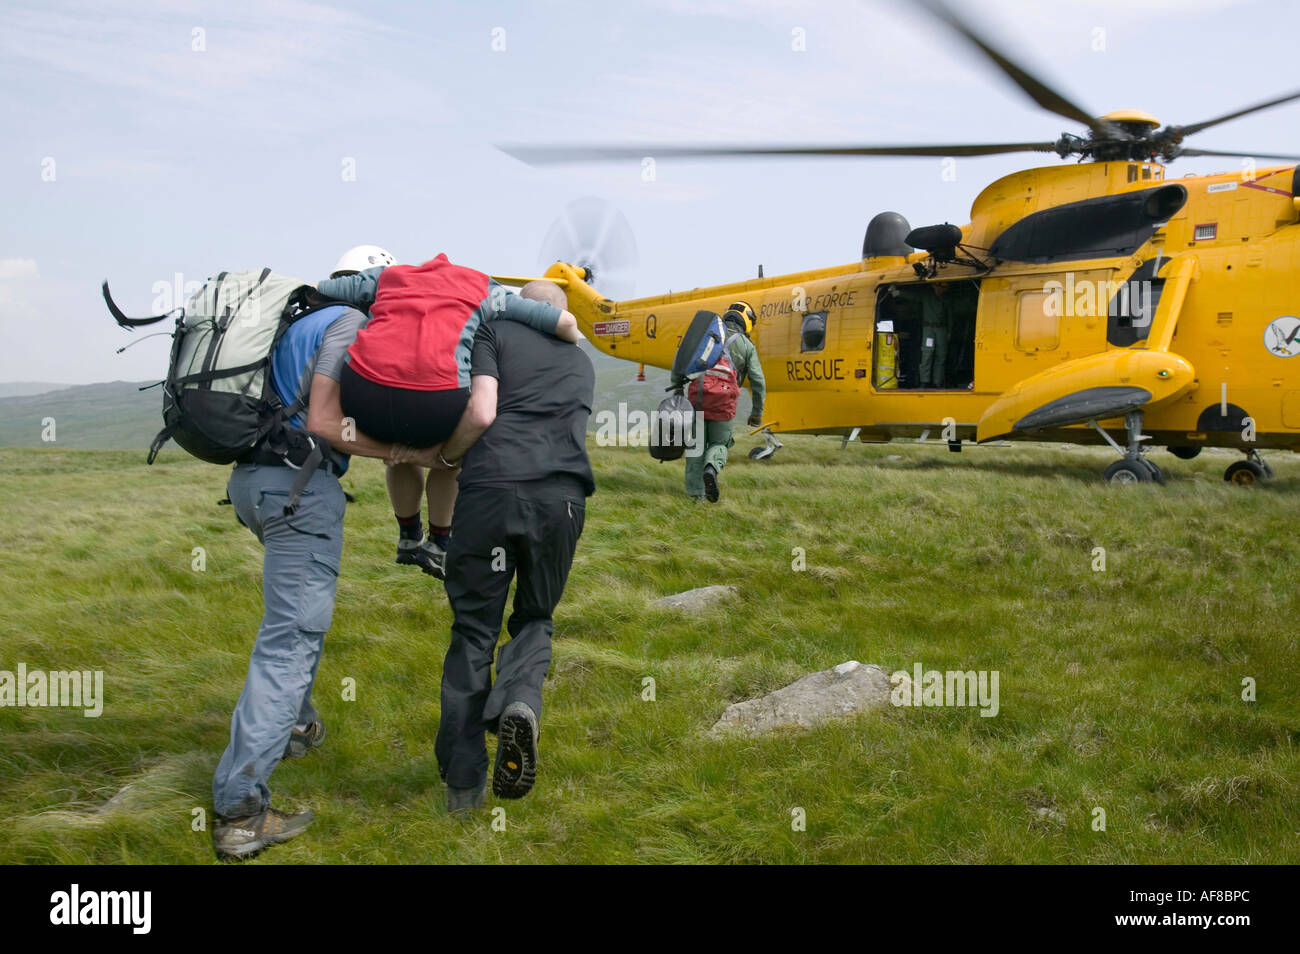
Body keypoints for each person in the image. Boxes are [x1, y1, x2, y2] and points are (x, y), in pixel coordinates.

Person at [212, 293, 413, 860]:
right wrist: (398, 450)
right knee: (289, 643)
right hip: (298, 490)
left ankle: (296, 728)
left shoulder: (293, 324)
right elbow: (325, 421)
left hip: (253, 483)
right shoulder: (349, 324)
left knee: (292, 622)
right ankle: (240, 812)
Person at [429, 280, 595, 815]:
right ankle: (521, 702)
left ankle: (463, 786)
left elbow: (482, 411)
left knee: (474, 631)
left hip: (491, 495)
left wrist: (447, 458)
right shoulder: (582, 360)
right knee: (535, 617)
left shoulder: (492, 332)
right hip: (563, 502)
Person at [316, 248, 581, 579]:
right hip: (436, 404)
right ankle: (440, 543)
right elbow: (565, 321)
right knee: (451, 455)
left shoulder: (391, 276)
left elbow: (325, 289)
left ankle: (409, 538)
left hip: (363, 394)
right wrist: (572, 349)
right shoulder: (483, 287)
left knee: (401, 450)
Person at [674, 301, 766, 503]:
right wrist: (757, 412)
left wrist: (677, 387)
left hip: (697, 398)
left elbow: (681, 358)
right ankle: (711, 467)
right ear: (747, 322)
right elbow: (758, 381)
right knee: (720, 443)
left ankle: (696, 496)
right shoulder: (746, 346)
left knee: (696, 447)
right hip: (724, 403)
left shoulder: (706, 335)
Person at [918, 282, 953, 389]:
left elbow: (950, 316)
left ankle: (937, 382)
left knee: (941, 356)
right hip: (929, 329)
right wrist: (898, 292)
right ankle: (924, 381)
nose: (941, 290)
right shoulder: (926, 296)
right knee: (927, 355)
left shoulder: (946, 300)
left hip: (941, 329)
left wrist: (949, 332)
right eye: (939, 287)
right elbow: (913, 296)